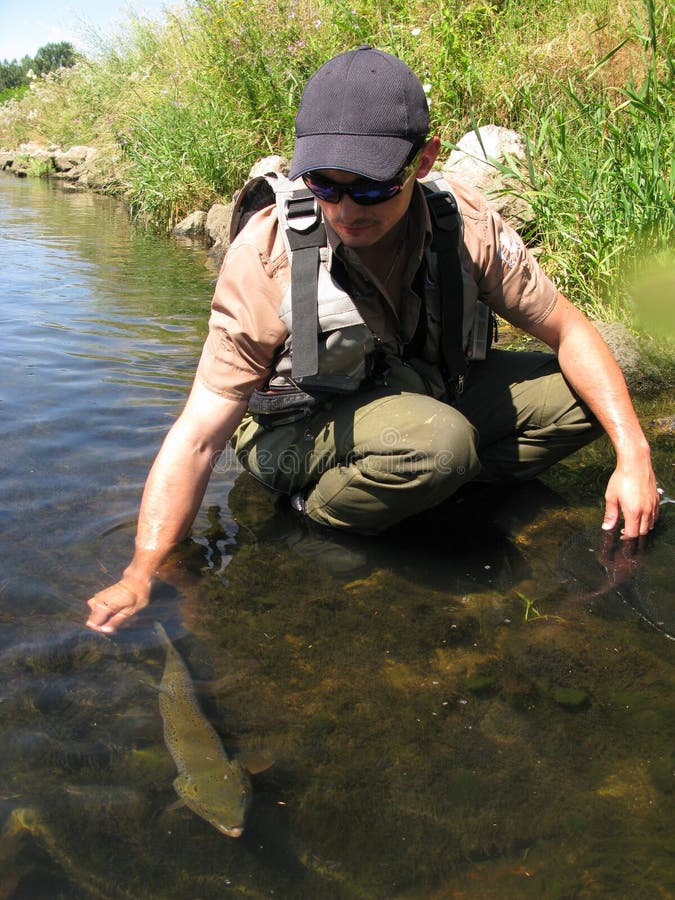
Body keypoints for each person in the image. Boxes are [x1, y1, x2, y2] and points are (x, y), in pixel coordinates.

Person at [86, 46, 659, 635]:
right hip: (294, 427)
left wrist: (633, 454)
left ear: (425, 161)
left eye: (372, 188)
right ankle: (324, 511)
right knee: (439, 443)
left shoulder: (462, 223)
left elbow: (570, 328)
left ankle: (428, 477)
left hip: (423, 401)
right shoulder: (268, 254)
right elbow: (200, 436)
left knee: (583, 398)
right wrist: (141, 570)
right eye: (325, 187)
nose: (344, 210)